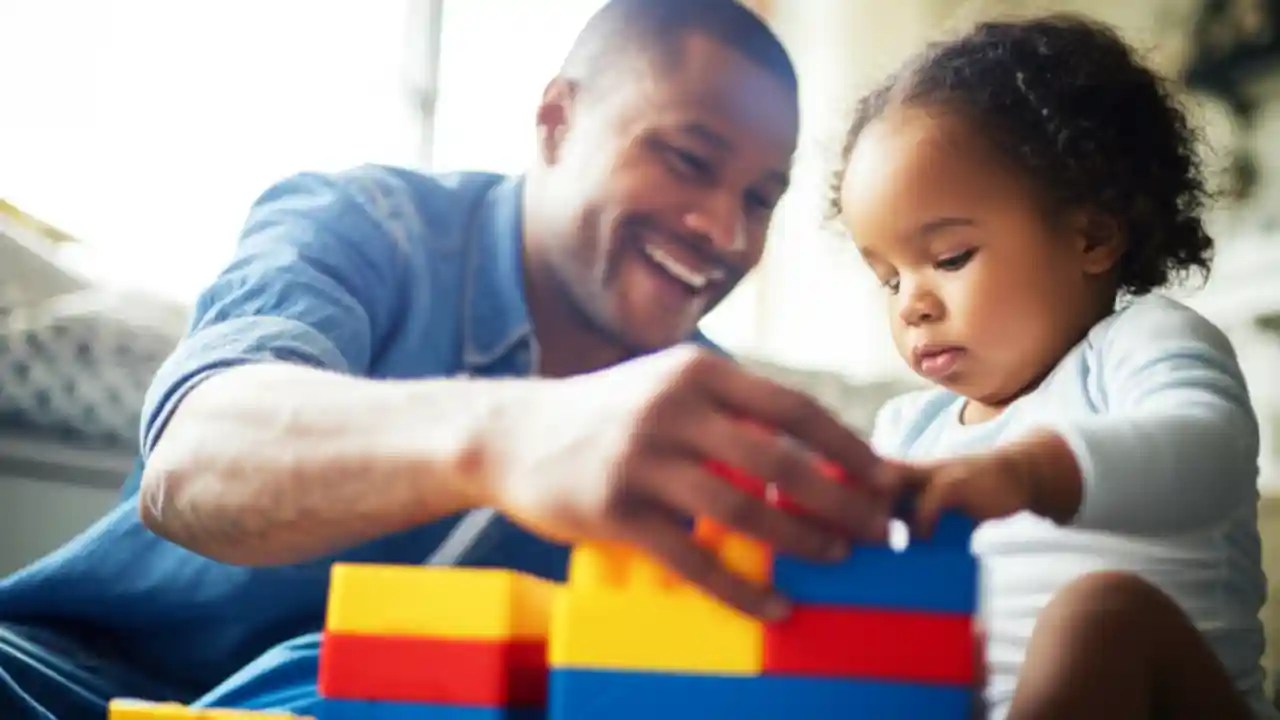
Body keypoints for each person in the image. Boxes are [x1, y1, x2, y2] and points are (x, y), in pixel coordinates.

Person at [0, 1, 890, 717]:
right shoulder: (362, 224)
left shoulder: (709, 417)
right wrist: (510, 433)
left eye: (762, 201)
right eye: (688, 160)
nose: (723, 232)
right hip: (85, 683)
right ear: (554, 122)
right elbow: (190, 466)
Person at [833, 14, 1275, 719]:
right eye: (889, 278)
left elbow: (1207, 453)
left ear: (1091, 235)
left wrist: (1029, 473)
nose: (912, 304)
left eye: (949, 259)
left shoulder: (1140, 346)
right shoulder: (908, 434)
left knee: (1100, 615)